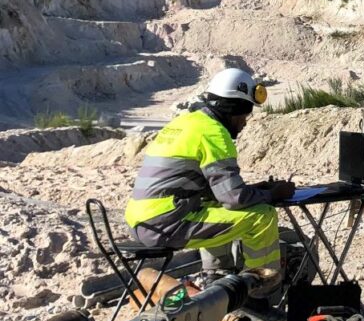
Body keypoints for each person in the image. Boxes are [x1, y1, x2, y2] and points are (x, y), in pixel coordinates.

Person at [125, 68, 295, 288]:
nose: (244, 122)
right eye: (245, 114)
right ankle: (260, 290)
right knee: (263, 216)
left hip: (141, 221)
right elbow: (234, 199)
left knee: (212, 204)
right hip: (165, 224)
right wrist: (273, 194)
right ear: (234, 108)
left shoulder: (185, 123)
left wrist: (257, 189)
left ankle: (217, 275)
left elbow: (216, 192)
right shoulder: (214, 133)